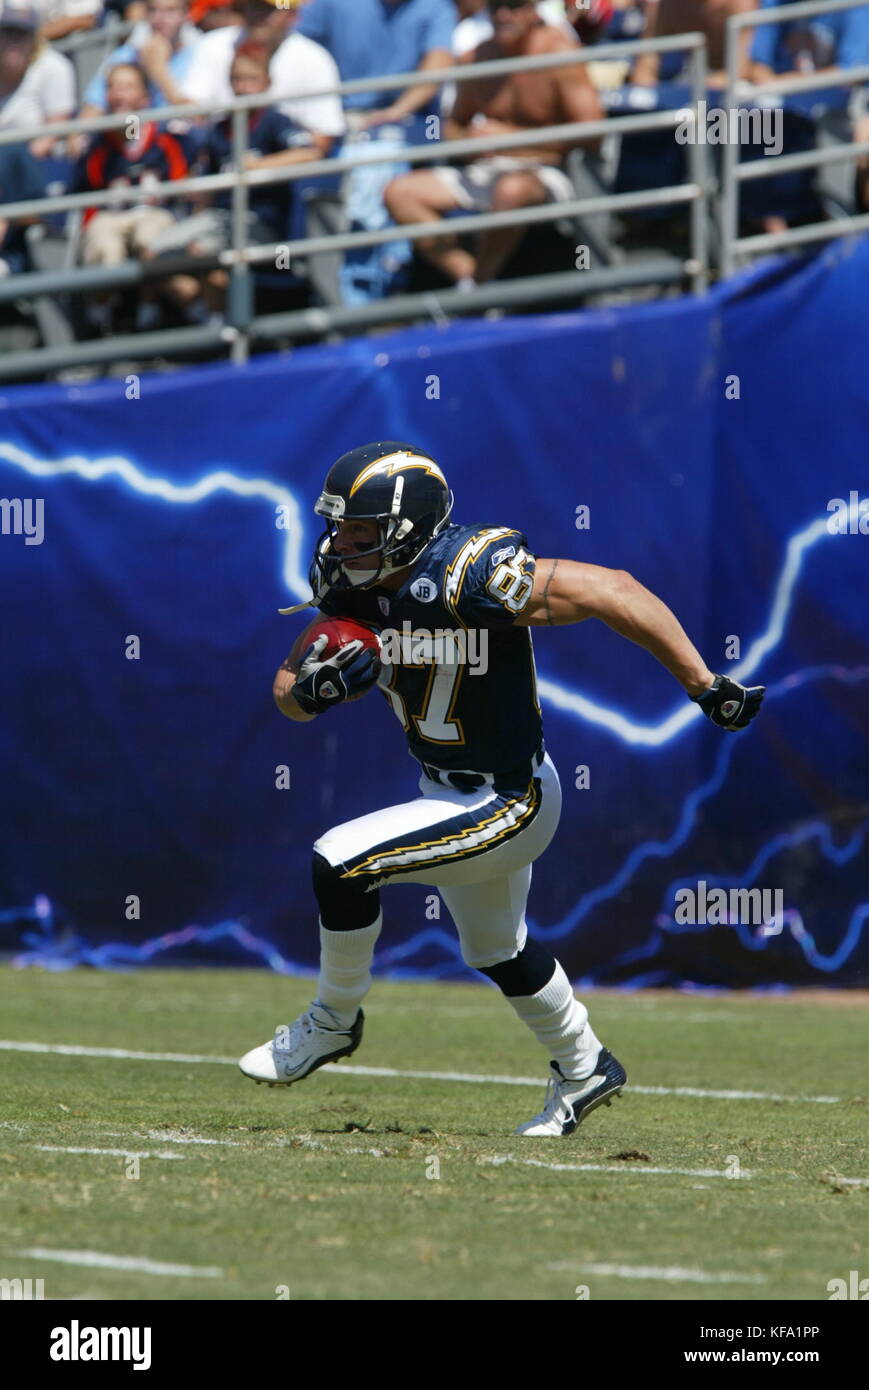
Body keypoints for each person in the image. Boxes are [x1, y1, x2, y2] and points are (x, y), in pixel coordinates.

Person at [238, 441, 765, 1137]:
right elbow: (285, 693)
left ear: (405, 531)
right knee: (495, 950)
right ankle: (584, 1068)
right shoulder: (350, 587)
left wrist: (702, 684)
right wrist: (314, 688)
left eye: (358, 531)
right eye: (337, 527)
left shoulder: (470, 574)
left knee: (339, 859)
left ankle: (333, 1019)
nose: (339, 543)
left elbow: (613, 589)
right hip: (442, 790)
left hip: (509, 799)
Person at [384, 0, 602, 288]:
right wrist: (467, 142)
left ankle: (478, 287)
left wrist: (513, 140)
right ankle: (474, 281)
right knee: (399, 192)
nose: (503, 14)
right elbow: (451, 125)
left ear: (533, 9)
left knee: (510, 190)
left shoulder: (560, 54)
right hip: (486, 169)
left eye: (513, 5)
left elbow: (593, 132)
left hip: (546, 170)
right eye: (495, 5)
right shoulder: (479, 56)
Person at [295, 0, 458, 304]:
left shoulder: (436, 8)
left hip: (410, 124)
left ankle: (387, 282)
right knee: (317, 183)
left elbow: (438, 65)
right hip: (336, 121)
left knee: (384, 170)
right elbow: (296, 47)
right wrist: (319, 114)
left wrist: (396, 112)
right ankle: (334, 290)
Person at [144, 41, 317, 319]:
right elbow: (206, 185)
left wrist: (260, 165)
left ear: (267, 83)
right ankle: (201, 315)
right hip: (219, 218)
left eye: (252, 80)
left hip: (262, 225)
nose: (243, 87)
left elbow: (309, 153)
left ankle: (222, 330)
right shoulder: (220, 128)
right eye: (237, 79)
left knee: (203, 254)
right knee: (153, 255)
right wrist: (193, 188)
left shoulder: (275, 121)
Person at [632, 0, 758, 88]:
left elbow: (741, 71)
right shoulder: (667, 6)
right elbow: (645, 66)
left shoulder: (740, 4)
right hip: (693, 81)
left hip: (741, 91)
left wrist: (701, 87)